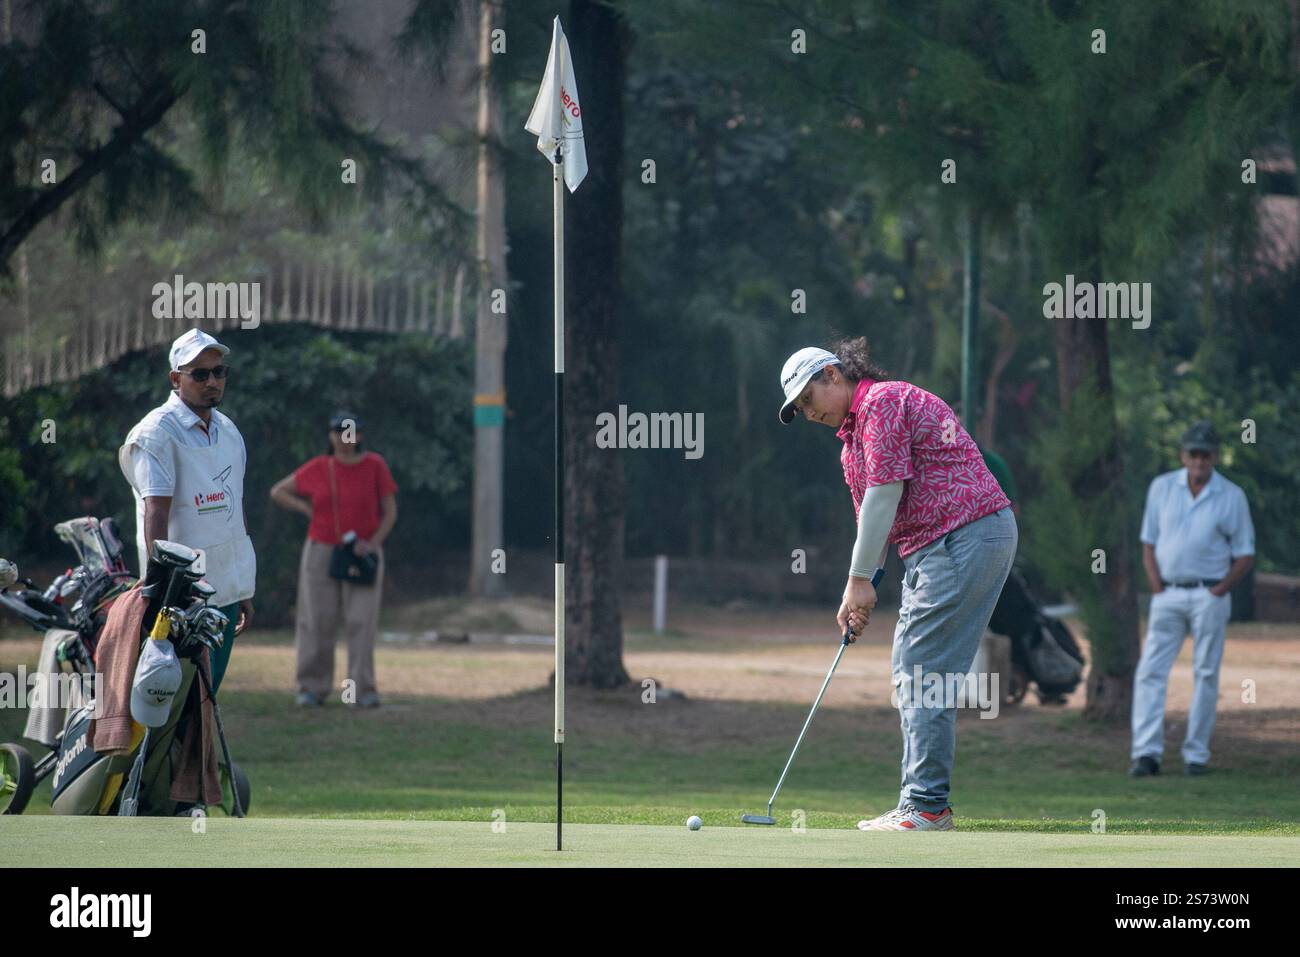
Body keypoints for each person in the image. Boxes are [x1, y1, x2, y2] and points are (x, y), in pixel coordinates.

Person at [778, 338, 1017, 831]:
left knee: (920, 666)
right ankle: (923, 804)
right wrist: (864, 589)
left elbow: (885, 496)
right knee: (923, 667)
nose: (807, 411)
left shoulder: (882, 403)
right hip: (955, 538)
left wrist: (858, 580)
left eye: (808, 397)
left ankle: (926, 806)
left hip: (961, 534)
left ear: (834, 376)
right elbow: (876, 521)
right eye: (798, 407)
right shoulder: (852, 441)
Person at [119, 328, 256, 694]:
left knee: (207, 697)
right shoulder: (156, 432)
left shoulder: (228, 431)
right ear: (175, 379)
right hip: (182, 598)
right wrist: (164, 589)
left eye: (218, 372)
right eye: (199, 374)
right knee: (175, 701)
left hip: (224, 591)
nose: (212, 381)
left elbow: (234, 511)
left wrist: (242, 586)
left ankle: (200, 756)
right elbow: (156, 513)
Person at [1129, 421, 1255, 777]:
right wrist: (1156, 585)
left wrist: (1219, 589)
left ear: (1215, 456)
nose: (1199, 461)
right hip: (1168, 592)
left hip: (1209, 593)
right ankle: (1146, 753)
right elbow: (1149, 542)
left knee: (1205, 673)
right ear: (1183, 455)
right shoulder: (1162, 488)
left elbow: (1245, 553)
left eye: (1205, 454)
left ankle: (1196, 755)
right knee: (1151, 671)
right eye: (1193, 453)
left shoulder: (1231, 496)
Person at [270, 411, 397, 708]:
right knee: (316, 619)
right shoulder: (319, 467)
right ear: (330, 436)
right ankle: (312, 688)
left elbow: (390, 511)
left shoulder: (374, 465)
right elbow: (279, 491)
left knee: (361, 621)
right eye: (338, 431)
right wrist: (305, 510)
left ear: (360, 436)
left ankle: (362, 690)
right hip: (322, 550)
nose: (344, 436)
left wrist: (374, 543)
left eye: (351, 431)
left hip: (363, 549)